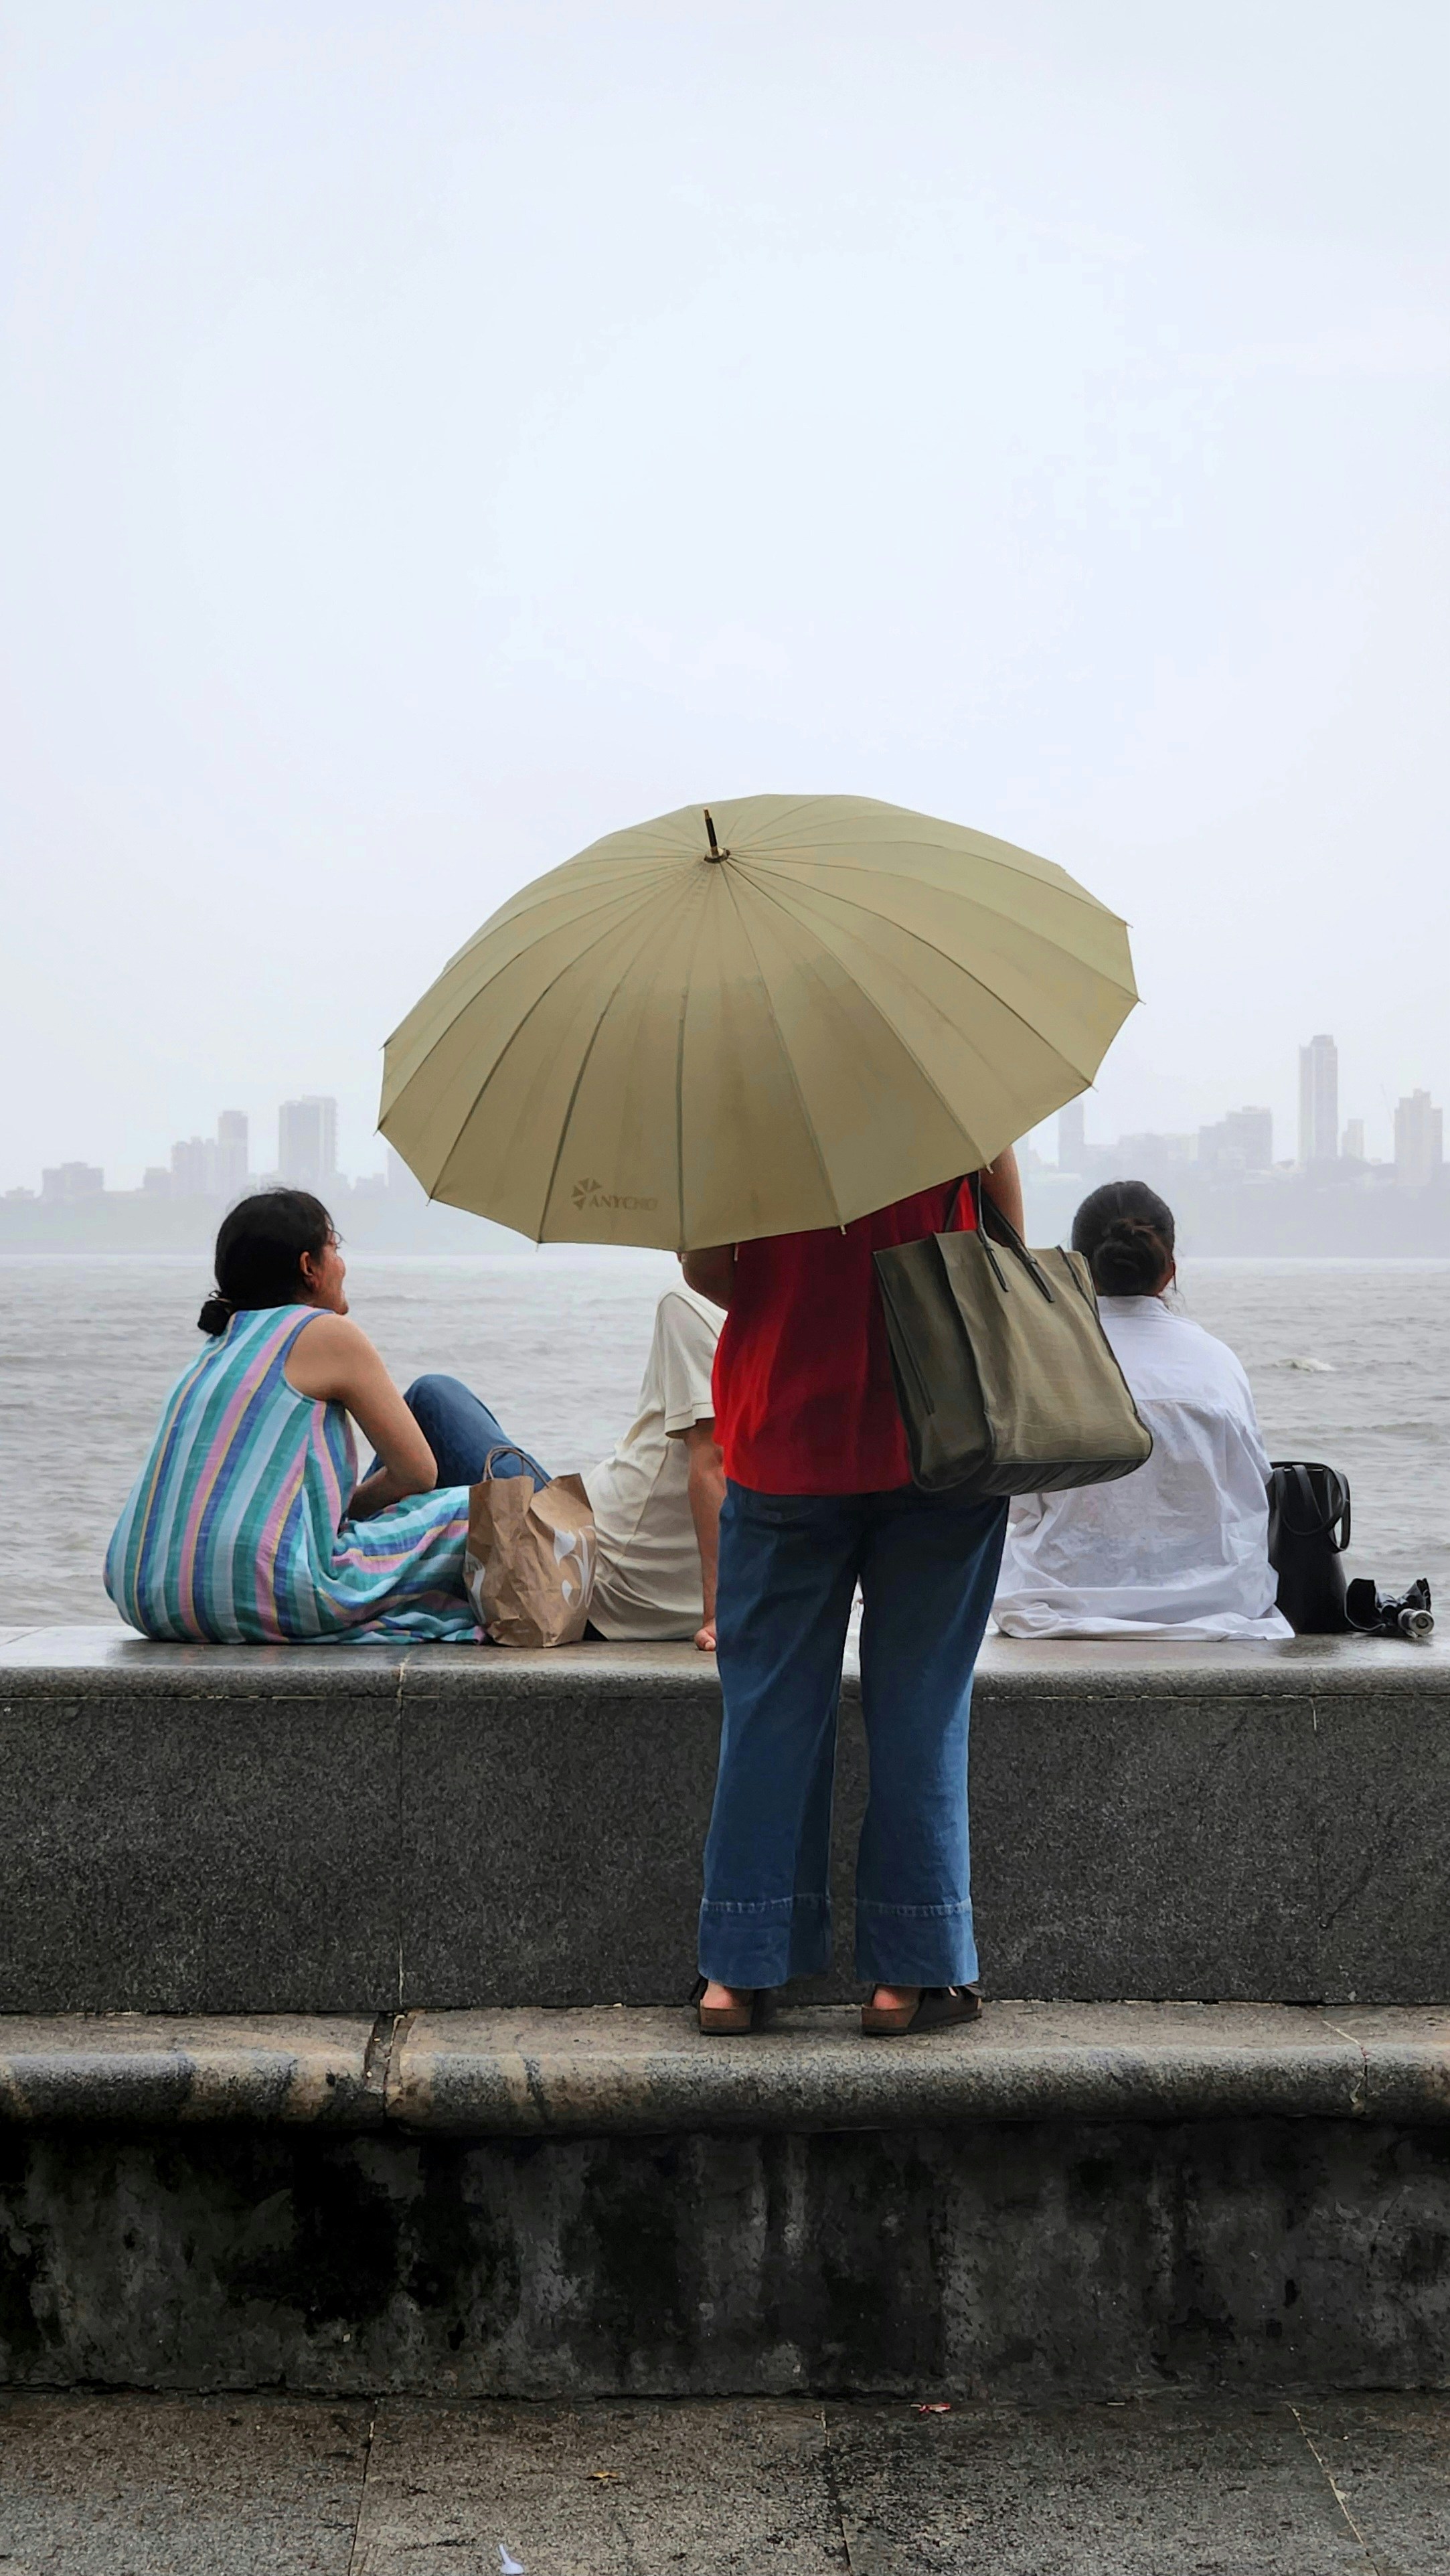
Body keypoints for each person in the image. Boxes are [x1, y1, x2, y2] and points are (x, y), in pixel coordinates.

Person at [683, 1151, 1023, 2040]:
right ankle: (904, 1977)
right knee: (921, 1707)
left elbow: (705, 1268)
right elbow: (1003, 1243)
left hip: (783, 1427)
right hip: (938, 1430)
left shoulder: (741, 1093)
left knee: (768, 1709)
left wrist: (799, 1307)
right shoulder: (945, 1067)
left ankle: (737, 1971)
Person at [105, 1191, 480, 1642]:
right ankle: (577, 1543)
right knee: (482, 1510)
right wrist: (345, 1512)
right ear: (309, 1267)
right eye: (335, 1248)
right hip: (270, 1588)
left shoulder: (216, 1348)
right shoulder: (325, 1333)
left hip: (148, 1595)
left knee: (425, 1404)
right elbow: (419, 1472)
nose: (342, 1264)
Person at [993, 1180, 1291, 1642]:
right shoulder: (1218, 1362)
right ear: (1168, 1269)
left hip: (1057, 1612)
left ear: (1075, 1269)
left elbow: (1014, 1502)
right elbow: (1251, 1489)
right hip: (1219, 1611)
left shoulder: (1044, 1363)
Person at [400, 1281, 725, 1647]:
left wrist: (720, 1614)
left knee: (432, 1399)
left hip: (582, 1566)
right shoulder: (786, 1350)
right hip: (609, 1566)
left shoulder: (693, 1309)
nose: (682, 1251)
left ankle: (345, 1558)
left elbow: (713, 1460)